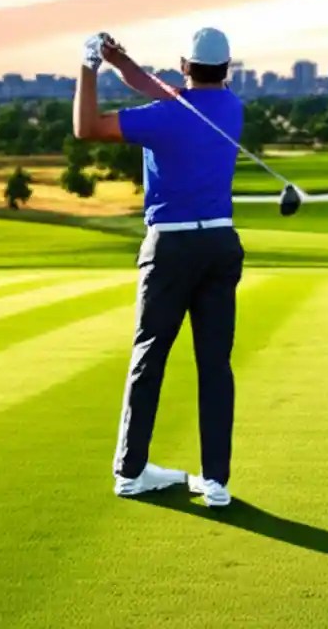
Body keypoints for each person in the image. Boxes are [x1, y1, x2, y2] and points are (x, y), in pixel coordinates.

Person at [73, 27, 244, 508]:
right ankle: (215, 482)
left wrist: (90, 65)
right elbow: (165, 89)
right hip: (219, 243)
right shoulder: (231, 109)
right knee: (215, 365)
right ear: (227, 70)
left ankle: (131, 471)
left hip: (170, 249)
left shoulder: (163, 118)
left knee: (149, 358)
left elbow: (87, 128)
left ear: (185, 66)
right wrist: (121, 61)